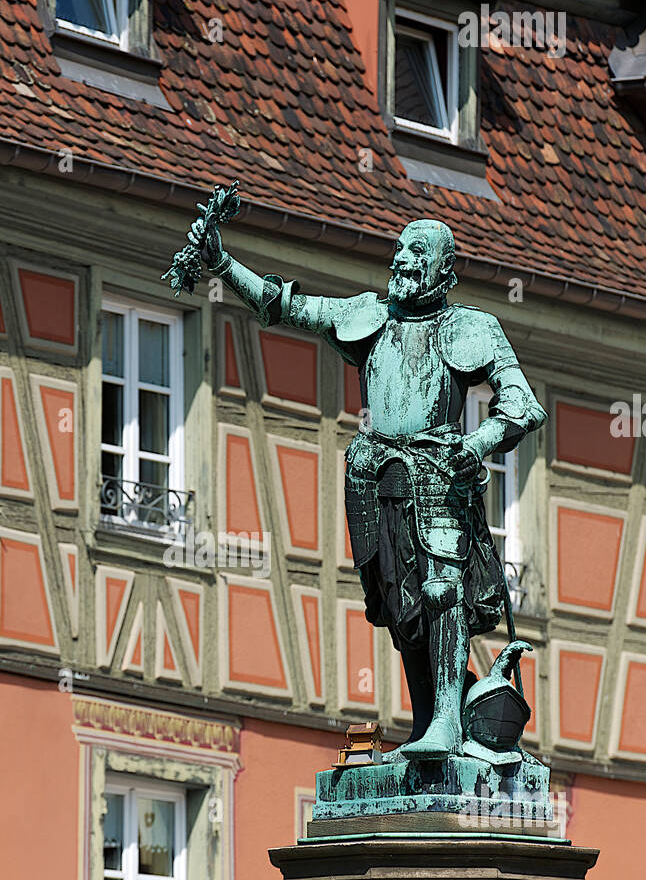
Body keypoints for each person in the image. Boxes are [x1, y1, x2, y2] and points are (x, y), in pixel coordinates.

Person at [188, 213, 546, 758]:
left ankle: (449, 719)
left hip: (437, 473)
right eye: (399, 249)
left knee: (440, 591)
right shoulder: (368, 315)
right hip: (374, 477)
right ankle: (427, 721)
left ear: (444, 272)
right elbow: (286, 306)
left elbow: (523, 404)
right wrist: (221, 263)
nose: (401, 261)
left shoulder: (472, 329)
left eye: (417, 254)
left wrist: (477, 444)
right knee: (400, 609)